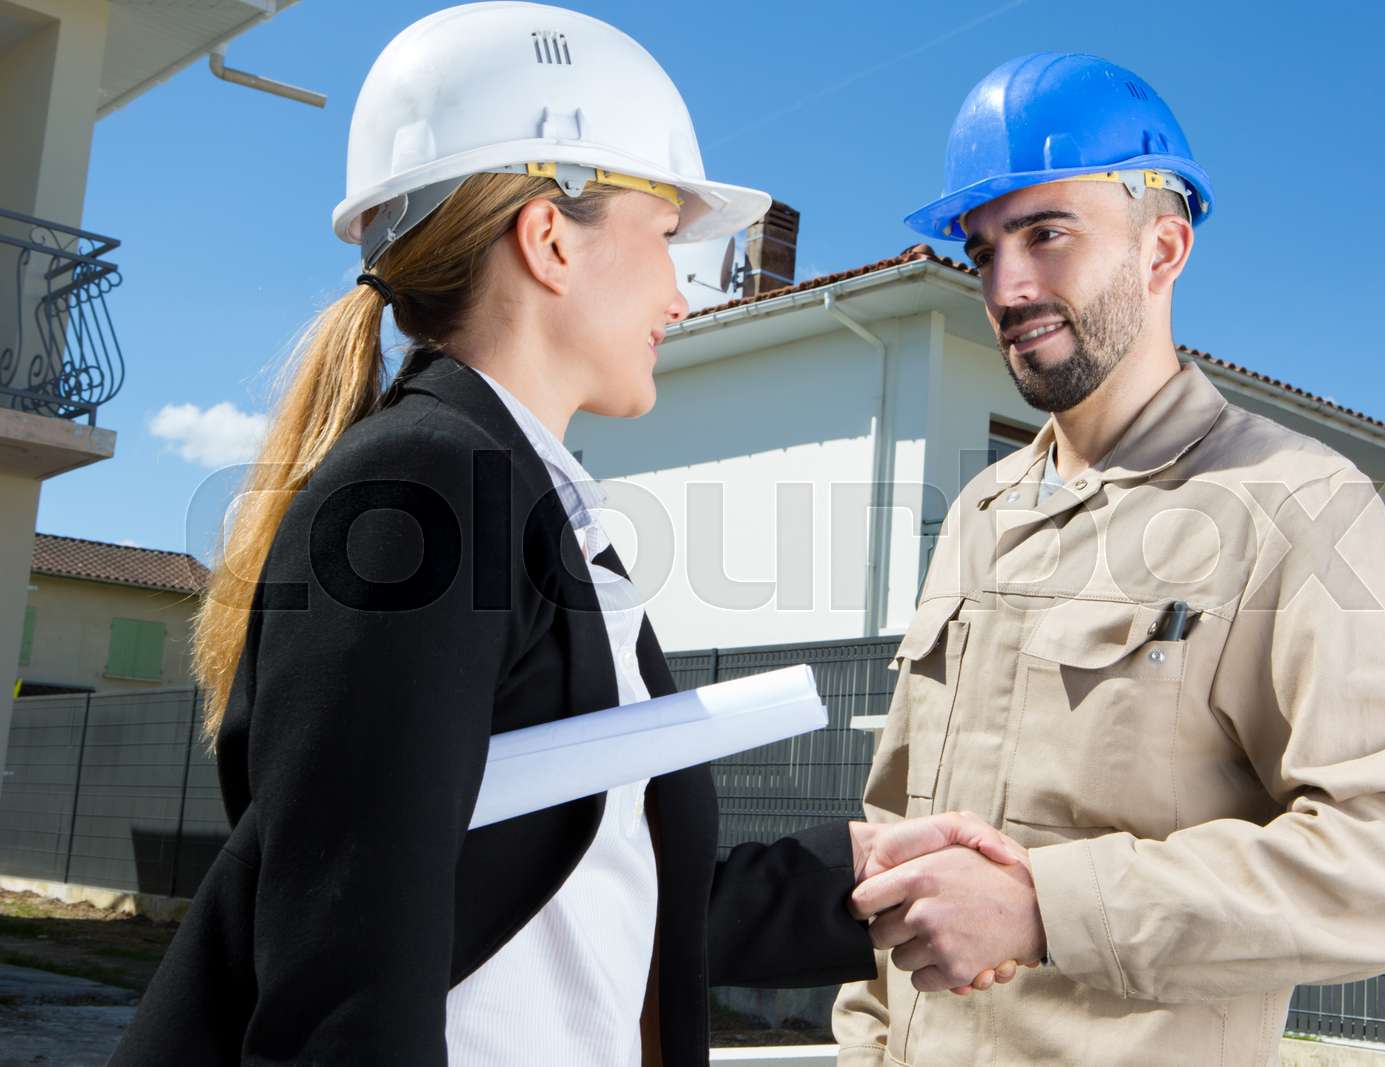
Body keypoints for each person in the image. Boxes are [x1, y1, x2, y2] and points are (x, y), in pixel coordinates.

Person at [107, 7, 1023, 1066]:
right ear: (549, 239)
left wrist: (856, 874)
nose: (684, 291)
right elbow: (345, 979)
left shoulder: (529, 502)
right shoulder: (420, 493)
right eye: (664, 236)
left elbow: (586, 883)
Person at [833, 52, 1385, 1066]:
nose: (1007, 286)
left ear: (1162, 248)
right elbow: (894, 830)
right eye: (981, 250)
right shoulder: (980, 510)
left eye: (1046, 232)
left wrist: (1046, 906)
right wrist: (865, 1044)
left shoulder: (1294, 505)